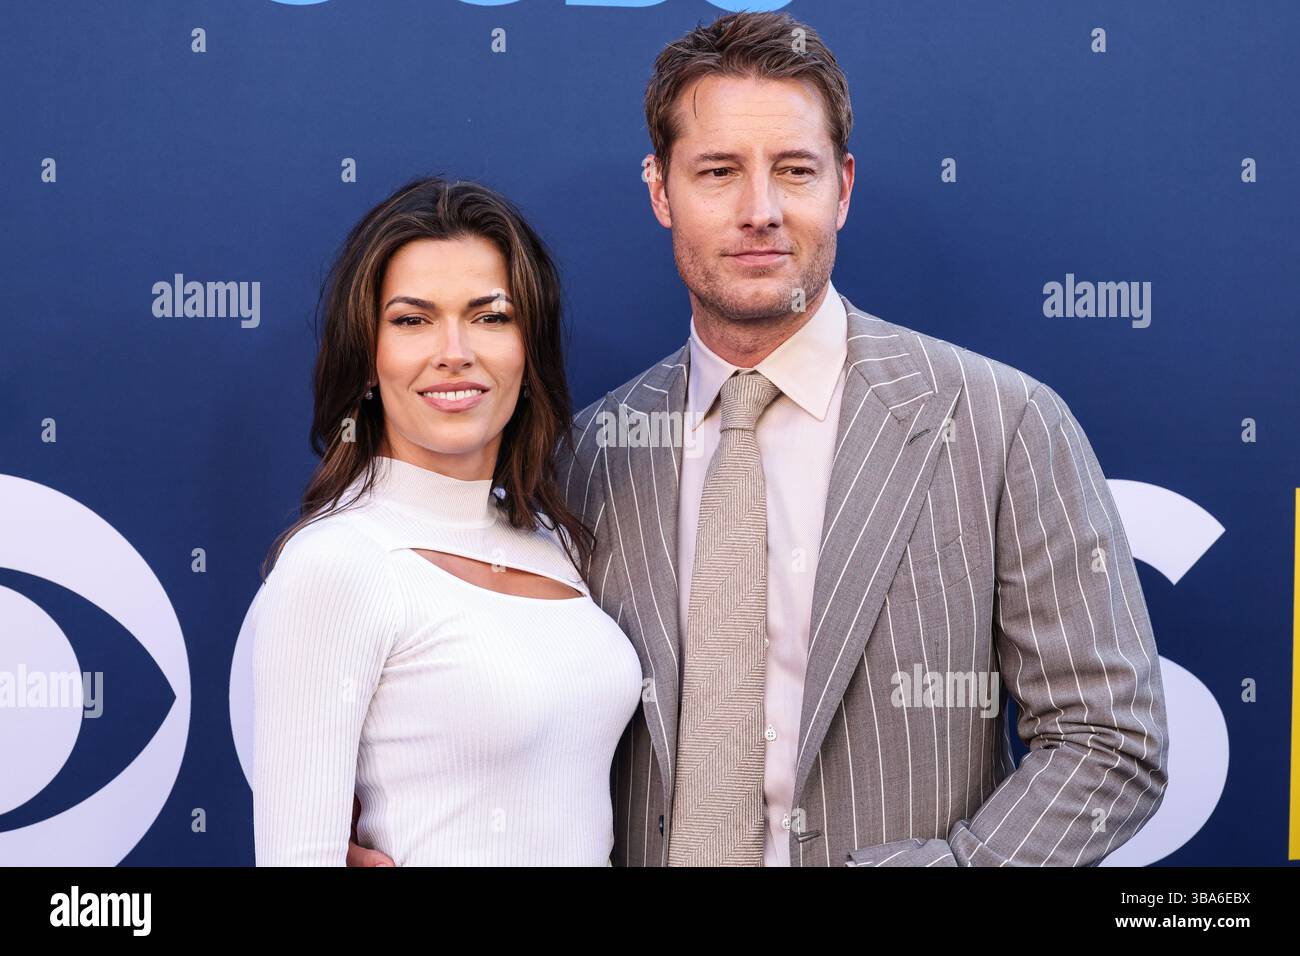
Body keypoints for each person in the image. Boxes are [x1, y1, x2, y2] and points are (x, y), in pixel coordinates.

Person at [350, 10, 1169, 868]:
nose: (761, 211)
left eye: (795, 170)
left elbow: (1110, 739)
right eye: (718, 171)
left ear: (843, 188)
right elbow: (499, 712)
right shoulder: (586, 455)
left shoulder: (1003, 426)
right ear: (661, 191)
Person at [249, 176, 642, 865]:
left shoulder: (558, 545)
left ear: (529, 348)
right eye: (411, 320)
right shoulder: (338, 563)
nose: (453, 350)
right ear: (368, 359)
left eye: (490, 316)